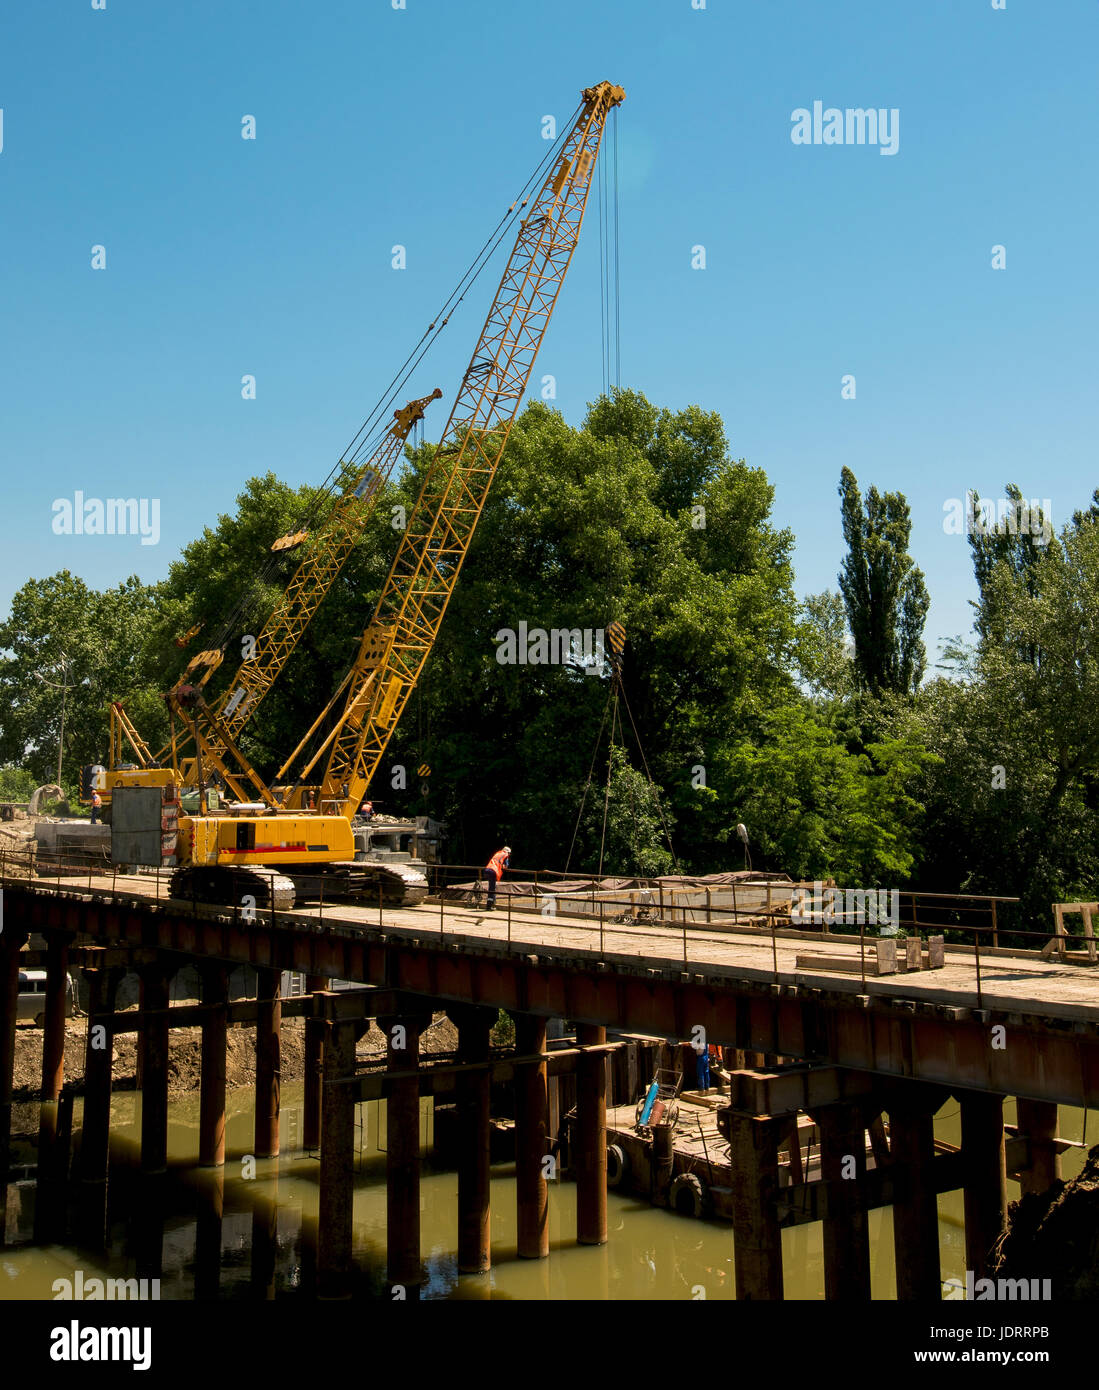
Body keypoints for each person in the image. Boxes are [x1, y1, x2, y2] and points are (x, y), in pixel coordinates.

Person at [482, 845, 511, 910]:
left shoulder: (498, 853)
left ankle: (491, 904)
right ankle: (489, 906)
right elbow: (506, 866)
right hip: (493, 871)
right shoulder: (505, 855)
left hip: (487, 869)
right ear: (508, 852)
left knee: (491, 888)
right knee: (492, 889)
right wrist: (503, 867)